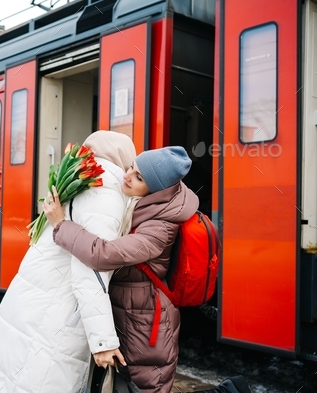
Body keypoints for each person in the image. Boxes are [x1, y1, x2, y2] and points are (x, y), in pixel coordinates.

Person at [0, 131, 135, 393]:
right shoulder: (105, 194)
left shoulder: (80, 185)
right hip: (55, 315)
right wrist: (103, 341)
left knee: (6, 377)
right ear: (123, 159)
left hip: (33, 305)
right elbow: (90, 272)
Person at [43, 146, 200, 393]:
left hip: (147, 326)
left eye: (139, 177)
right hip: (134, 315)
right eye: (131, 168)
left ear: (156, 190)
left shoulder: (159, 229)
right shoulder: (144, 206)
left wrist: (61, 225)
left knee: (145, 386)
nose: (127, 176)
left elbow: (103, 254)